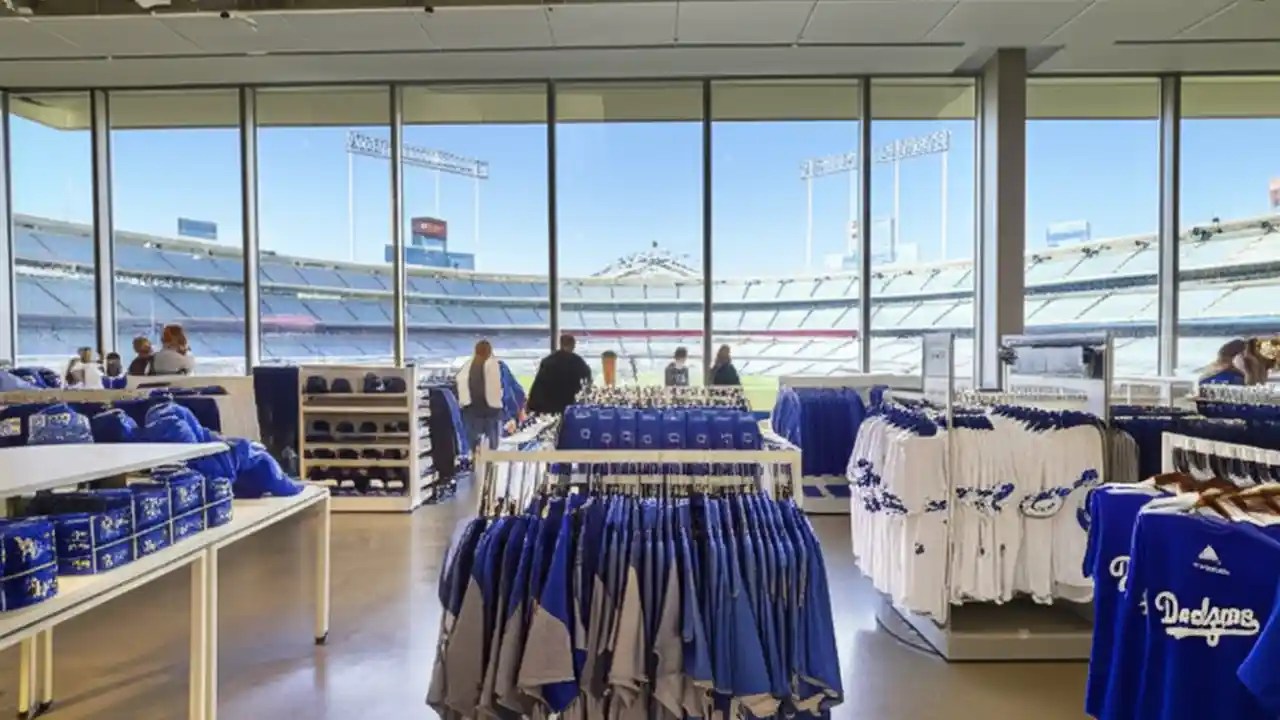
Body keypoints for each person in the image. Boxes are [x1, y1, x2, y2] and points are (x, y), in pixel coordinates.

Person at [455, 339, 503, 451]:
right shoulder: (493, 364)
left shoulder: (467, 366)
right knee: (492, 446)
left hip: (471, 410)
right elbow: (498, 388)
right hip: (490, 410)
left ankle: (474, 462)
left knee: (473, 445)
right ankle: (489, 464)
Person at [527, 334, 592, 415]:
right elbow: (587, 379)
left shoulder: (547, 361)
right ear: (573, 345)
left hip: (547, 406)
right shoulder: (577, 362)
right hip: (568, 405)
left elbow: (538, 386)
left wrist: (531, 406)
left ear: (560, 344)